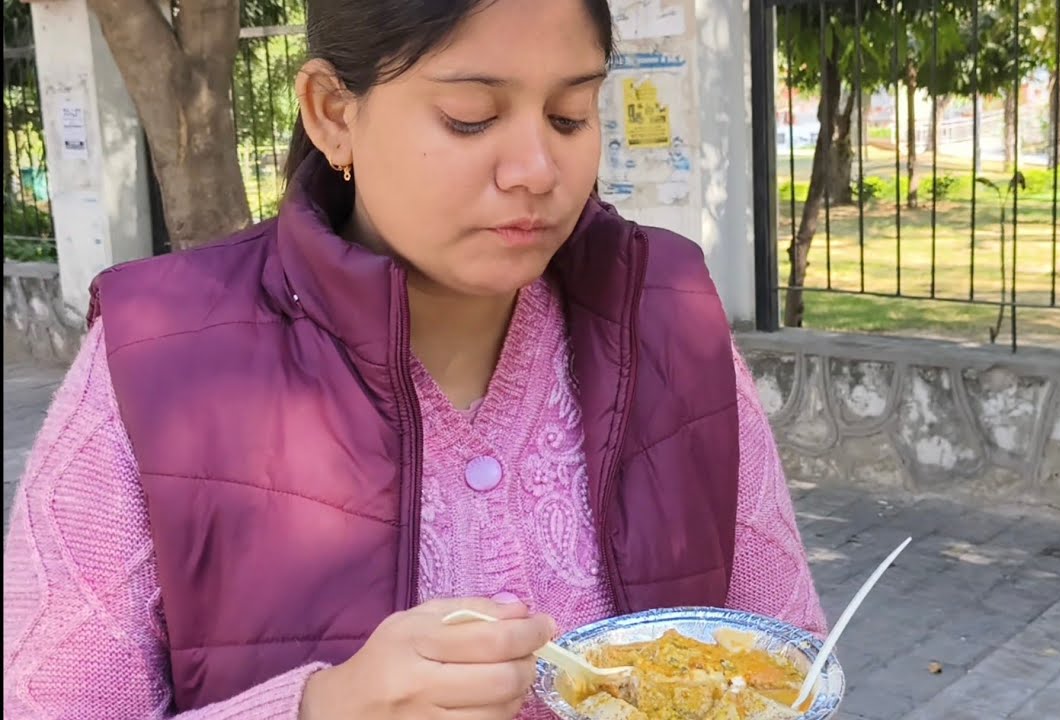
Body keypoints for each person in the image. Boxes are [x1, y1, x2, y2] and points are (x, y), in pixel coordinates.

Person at [1, 1, 823, 717]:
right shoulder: (157, 358)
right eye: (470, 117)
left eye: (570, 115)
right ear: (331, 112)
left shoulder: (663, 317)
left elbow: (792, 668)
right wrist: (320, 711)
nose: (538, 171)